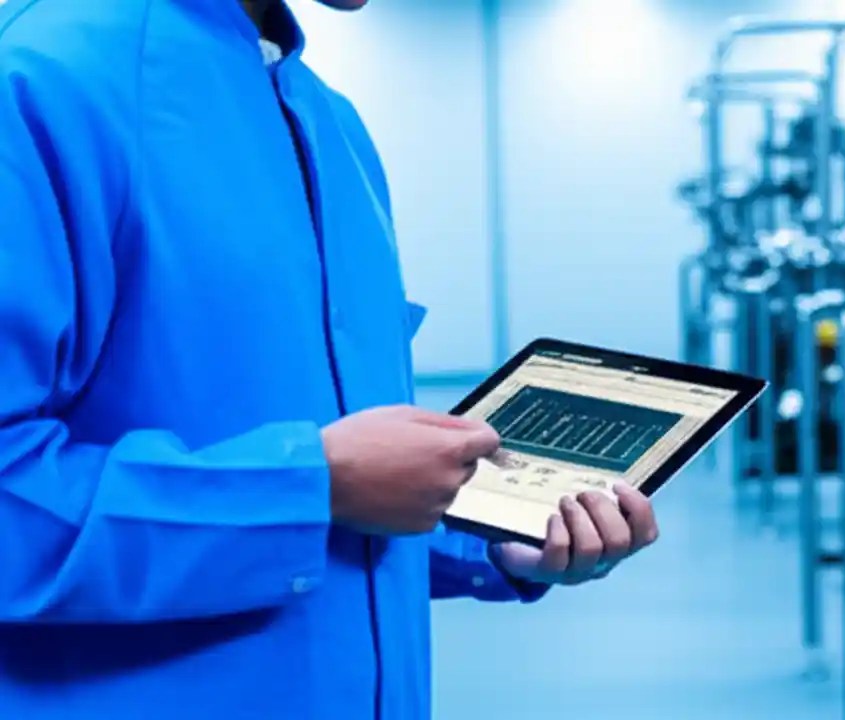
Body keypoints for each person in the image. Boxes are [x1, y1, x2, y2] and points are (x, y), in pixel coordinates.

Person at [0, 0, 661, 717]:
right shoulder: (37, 82)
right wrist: (308, 486)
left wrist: (491, 545)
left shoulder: (328, 122)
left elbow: (336, 488)